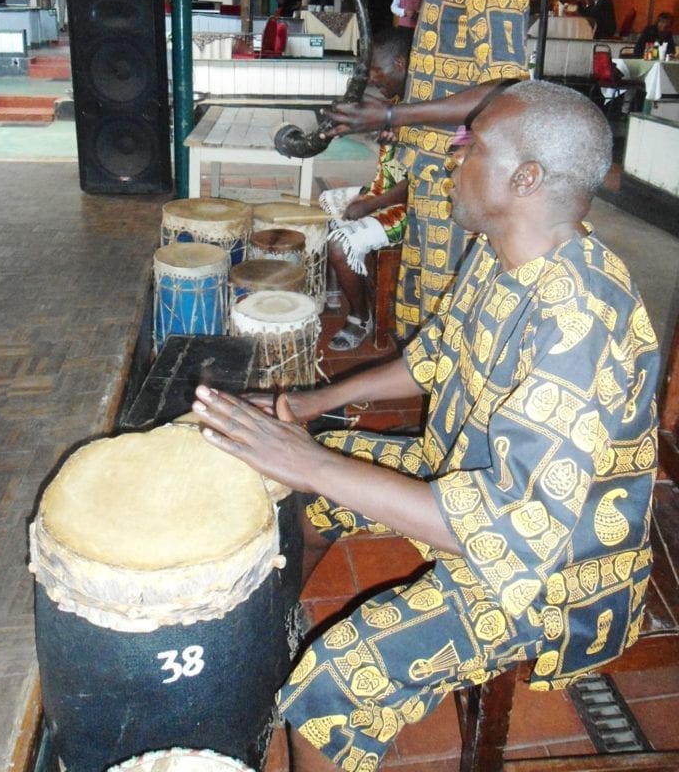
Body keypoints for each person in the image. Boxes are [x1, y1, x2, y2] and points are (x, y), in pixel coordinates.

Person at [192, 80, 659, 772]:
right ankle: (282, 619)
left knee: (329, 688)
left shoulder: (580, 323)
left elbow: (505, 529)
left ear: (526, 178)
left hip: (548, 574)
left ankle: (315, 704)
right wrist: (304, 410)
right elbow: (433, 357)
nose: (450, 159)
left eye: (472, 146)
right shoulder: (502, 252)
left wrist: (310, 462)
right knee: (301, 483)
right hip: (463, 484)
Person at [324, 0, 530, 345]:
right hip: (427, 179)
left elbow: (504, 89)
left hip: (458, 183)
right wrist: (394, 119)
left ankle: (442, 420)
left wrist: (392, 115)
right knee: (419, 313)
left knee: (444, 326)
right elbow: (444, 74)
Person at [319, 27, 413, 350]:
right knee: (327, 202)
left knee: (339, 245)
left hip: (407, 209)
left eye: (378, 71)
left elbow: (417, 185)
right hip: (381, 192)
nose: (373, 79)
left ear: (400, 64)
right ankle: (337, 288)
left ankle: (361, 317)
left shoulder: (423, 109)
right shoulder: (399, 103)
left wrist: (369, 206)